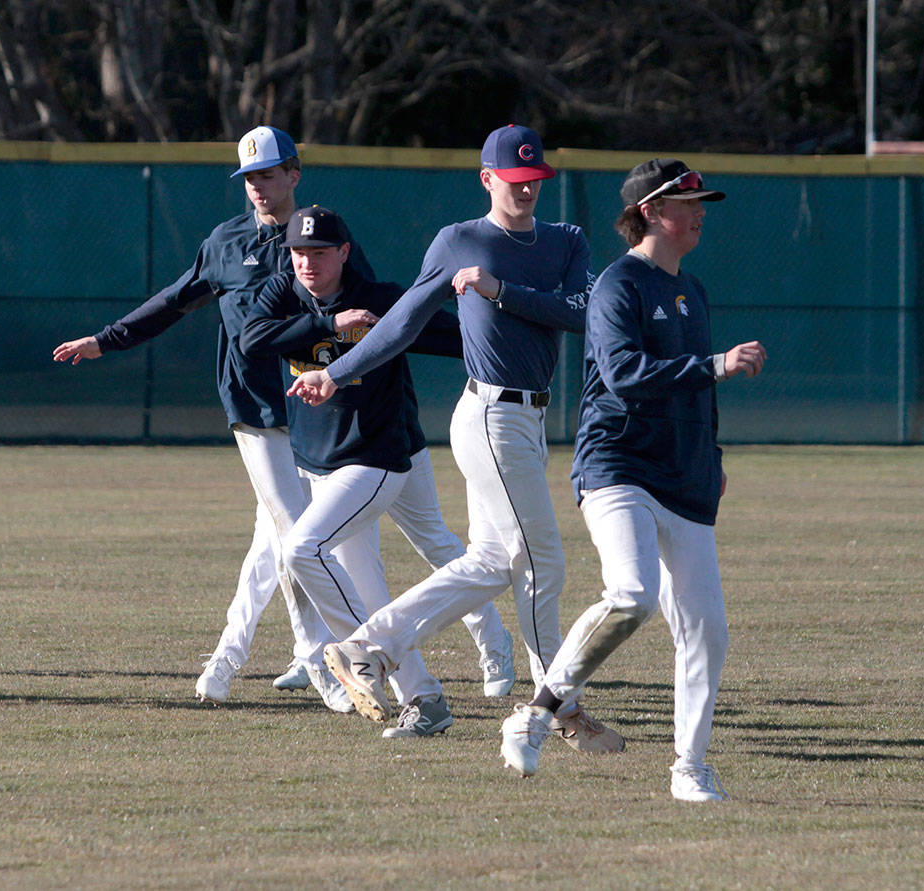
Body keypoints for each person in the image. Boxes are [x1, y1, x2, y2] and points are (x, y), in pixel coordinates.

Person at [51, 126, 512, 707]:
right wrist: (107, 339)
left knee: (403, 540)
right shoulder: (226, 243)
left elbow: (386, 327)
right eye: (248, 178)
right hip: (263, 414)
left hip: (346, 420)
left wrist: (496, 334)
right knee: (295, 543)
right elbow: (178, 303)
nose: (258, 187)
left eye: (268, 174)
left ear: (294, 173)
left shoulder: (327, 240)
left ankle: (485, 644)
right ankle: (314, 666)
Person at [288, 124, 622, 753]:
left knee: (493, 562)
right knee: (542, 562)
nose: (525, 190)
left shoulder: (565, 240)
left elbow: (584, 314)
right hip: (490, 414)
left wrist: (503, 291)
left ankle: (371, 645)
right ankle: (563, 707)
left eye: (534, 180)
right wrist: (334, 372)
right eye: (513, 180)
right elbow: (404, 321)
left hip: (530, 419)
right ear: (486, 178)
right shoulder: (459, 241)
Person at [498, 159, 767, 802]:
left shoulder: (692, 290)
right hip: (617, 465)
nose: (700, 209)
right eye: (687, 199)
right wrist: (715, 364)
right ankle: (537, 713)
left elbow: (699, 396)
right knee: (633, 594)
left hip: (684, 476)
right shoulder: (619, 284)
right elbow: (623, 374)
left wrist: (715, 456)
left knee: (707, 630)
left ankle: (689, 767)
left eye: (703, 198)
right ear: (649, 210)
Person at [239, 204, 510, 737]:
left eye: (320, 252)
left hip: (380, 457)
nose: (308, 263)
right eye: (298, 253)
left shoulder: (381, 299)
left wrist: (501, 311)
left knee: (304, 549)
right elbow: (250, 341)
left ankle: (366, 657)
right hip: (324, 464)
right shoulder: (282, 294)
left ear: (343, 252)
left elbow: (455, 339)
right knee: (365, 589)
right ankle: (425, 699)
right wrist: (326, 324)